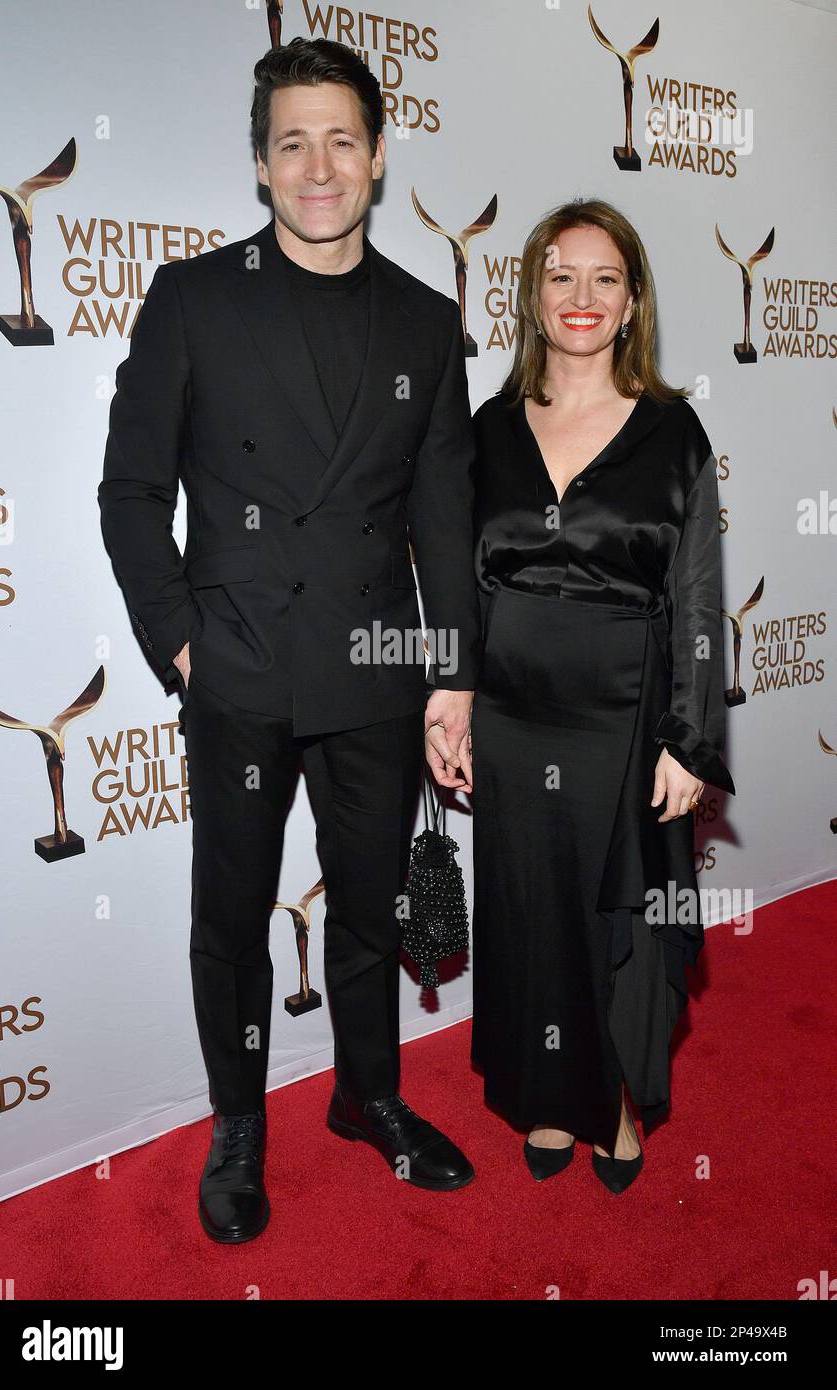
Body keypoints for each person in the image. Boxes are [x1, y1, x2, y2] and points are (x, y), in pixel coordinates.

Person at [98, 36, 481, 1243]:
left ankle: (368, 1097)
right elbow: (129, 493)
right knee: (235, 916)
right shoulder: (195, 300)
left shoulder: (426, 324)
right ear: (261, 164)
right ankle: (239, 1123)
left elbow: (442, 519)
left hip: (373, 672)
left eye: (342, 141)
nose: (319, 167)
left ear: (376, 154)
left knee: (367, 907)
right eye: (292, 143)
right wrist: (180, 643)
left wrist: (450, 675)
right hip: (245, 669)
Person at [469, 198, 735, 1194]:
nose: (581, 298)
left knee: (611, 919)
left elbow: (699, 595)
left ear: (631, 305)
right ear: (533, 297)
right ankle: (547, 1096)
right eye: (560, 276)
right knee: (529, 913)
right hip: (505, 717)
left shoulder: (671, 432)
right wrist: (446, 705)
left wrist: (688, 738)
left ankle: (613, 1098)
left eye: (604, 279)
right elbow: (457, 585)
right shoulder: (487, 429)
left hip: (624, 722)